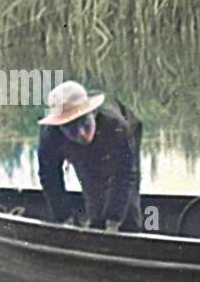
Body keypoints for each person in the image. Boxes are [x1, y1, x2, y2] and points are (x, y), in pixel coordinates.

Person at [38, 80, 143, 232]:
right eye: (70, 127)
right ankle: (96, 225)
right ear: (59, 127)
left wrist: (113, 222)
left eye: (84, 122)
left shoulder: (115, 124)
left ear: (92, 113)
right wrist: (65, 219)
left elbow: (125, 174)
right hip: (76, 147)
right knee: (93, 193)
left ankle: (130, 231)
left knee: (128, 203)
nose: (81, 133)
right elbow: (49, 177)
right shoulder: (50, 136)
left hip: (117, 135)